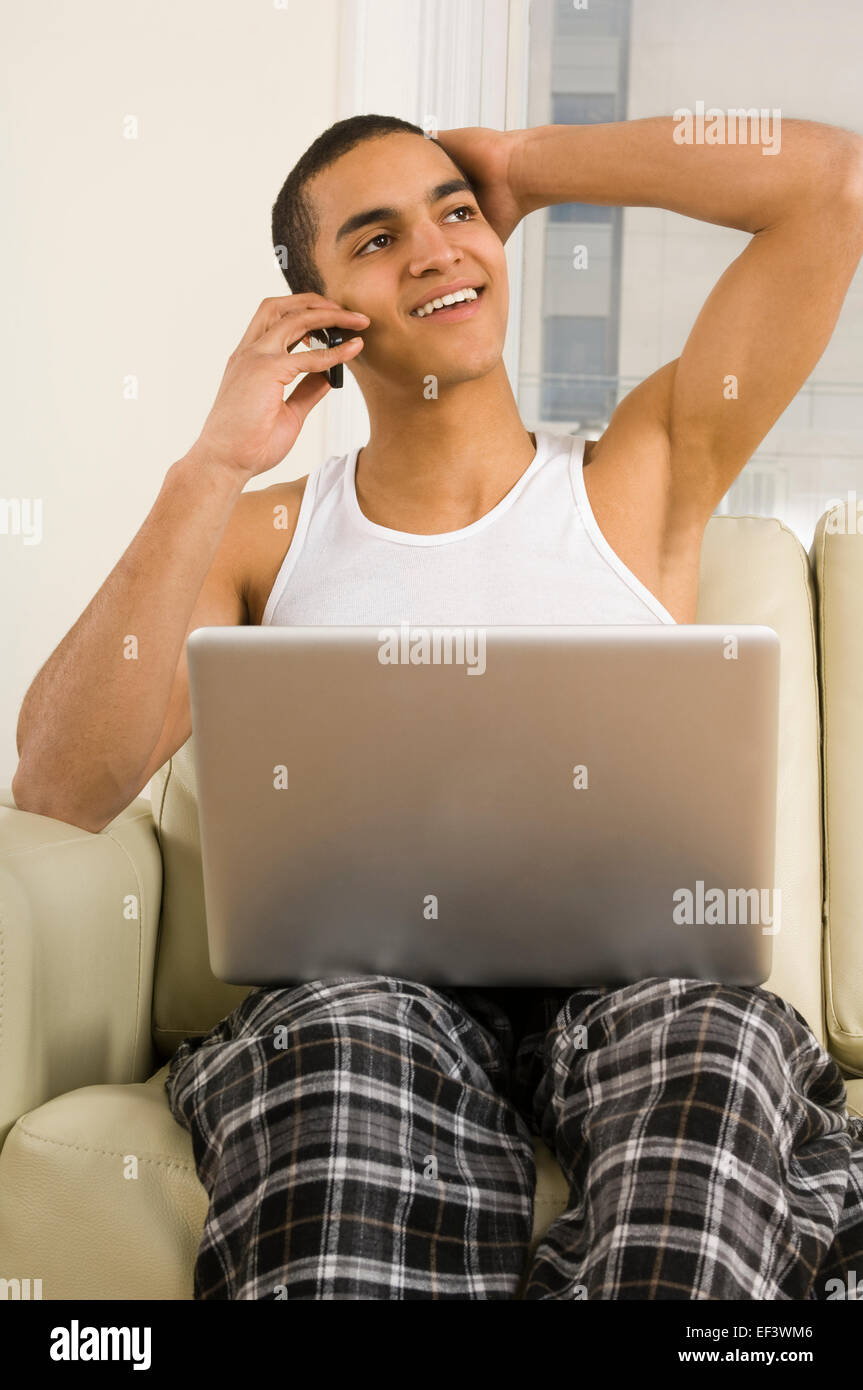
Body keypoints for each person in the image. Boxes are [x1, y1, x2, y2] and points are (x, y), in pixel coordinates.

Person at [13, 113, 863, 1300]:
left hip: (641, 997)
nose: (434, 249)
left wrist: (522, 167)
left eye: (452, 212)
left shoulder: (641, 471)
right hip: (367, 999)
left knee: (716, 1050)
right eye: (375, 237)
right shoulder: (264, 533)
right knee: (342, 1047)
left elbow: (825, 185)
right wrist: (209, 465)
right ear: (314, 312)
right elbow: (60, 783)